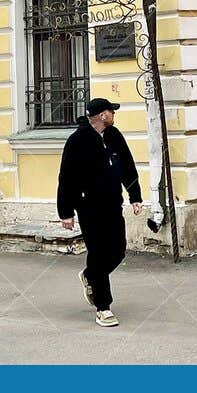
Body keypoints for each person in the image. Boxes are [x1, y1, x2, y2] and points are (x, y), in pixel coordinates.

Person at [56, 97, 143, 327]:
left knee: (118, 251)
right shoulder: (77, 141)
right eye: (111, 111)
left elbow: (127, 166)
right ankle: (103, 307)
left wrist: (135, 197)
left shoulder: (115, 136)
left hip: (113, 204)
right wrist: (66, 211)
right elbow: (66, 177)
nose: (114, 115)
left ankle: (90, 275)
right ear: (103, 116)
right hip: (88, 207)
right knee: (98, 252)